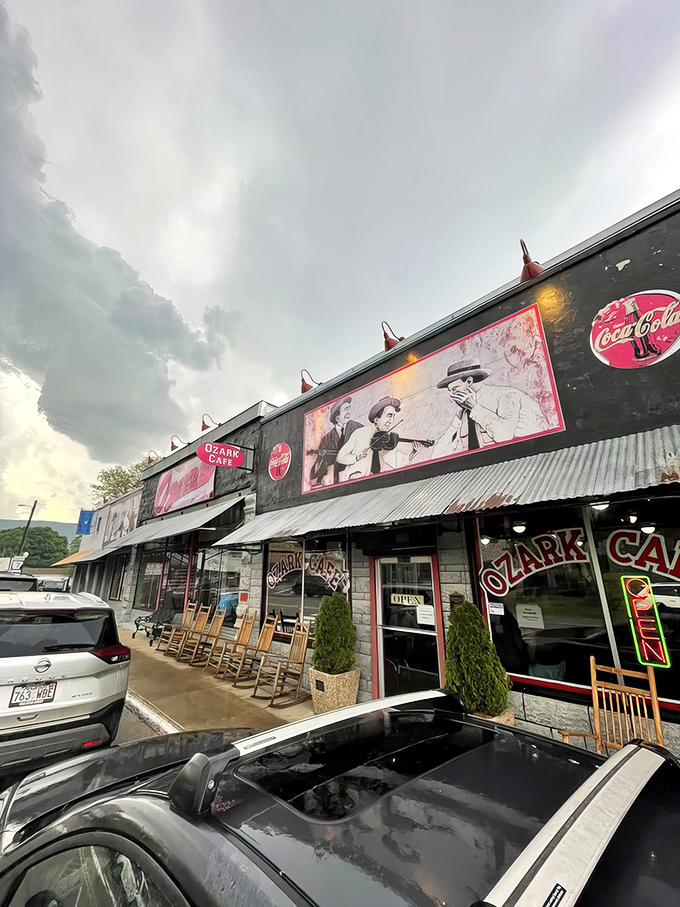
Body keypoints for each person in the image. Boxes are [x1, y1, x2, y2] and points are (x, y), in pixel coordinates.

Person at [430, 359, 548, 457]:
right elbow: (438, 455)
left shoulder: (506, 396)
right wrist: (458, 417)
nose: (452, 397)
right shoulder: (464, 412)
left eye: (455, 389)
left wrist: (474, 407)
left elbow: (505, 437)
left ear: (469, 381)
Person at [337, 396, 424, 480]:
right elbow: (340, 457)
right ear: (376, 419)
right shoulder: (359, 433)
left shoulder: (388, 439)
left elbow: (399, 462)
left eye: (393, 416)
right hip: (357, 481)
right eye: (389, 415)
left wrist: (413, 452)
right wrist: (356, 458)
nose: (391, 421)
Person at [309, 397, 363, 485]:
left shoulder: (358, 428)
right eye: (346, 409)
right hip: (334, 483)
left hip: (355, 479)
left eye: (349, 408)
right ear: (337, 418)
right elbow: (318, 470)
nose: (349, 411)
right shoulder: (326, 439)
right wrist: (321, 457)